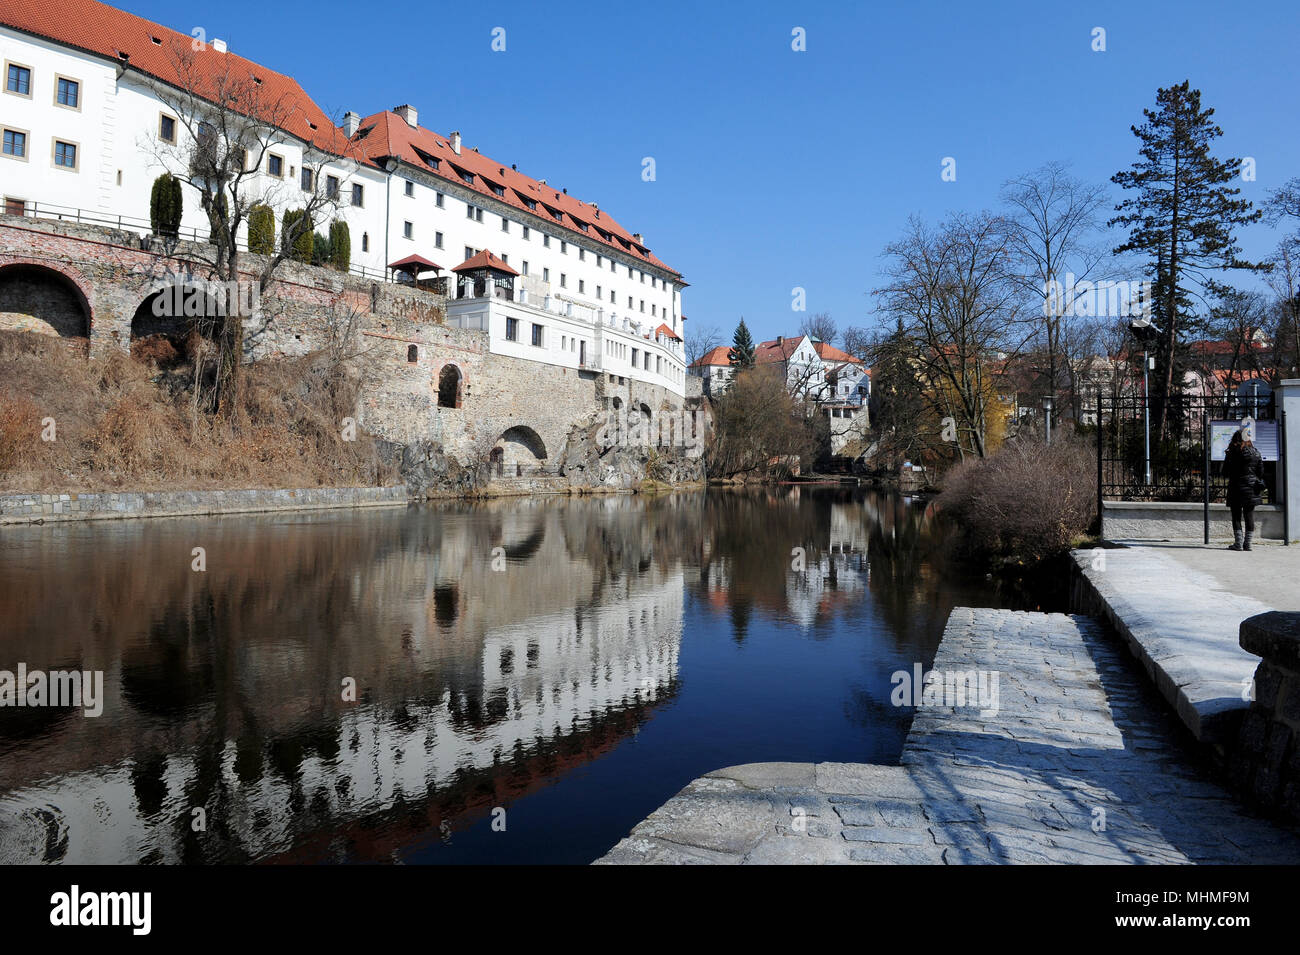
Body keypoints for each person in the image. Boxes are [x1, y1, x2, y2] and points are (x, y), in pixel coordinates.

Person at [1223, 429, 1265, 551]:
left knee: (1236, 516)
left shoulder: (1232, 453)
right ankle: (1248, 544)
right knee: (1249, 515)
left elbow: (1225, 472)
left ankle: (1238, 544)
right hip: (1251, 488)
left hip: (1236, 487)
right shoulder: (1256, 453)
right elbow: (1261, 472)